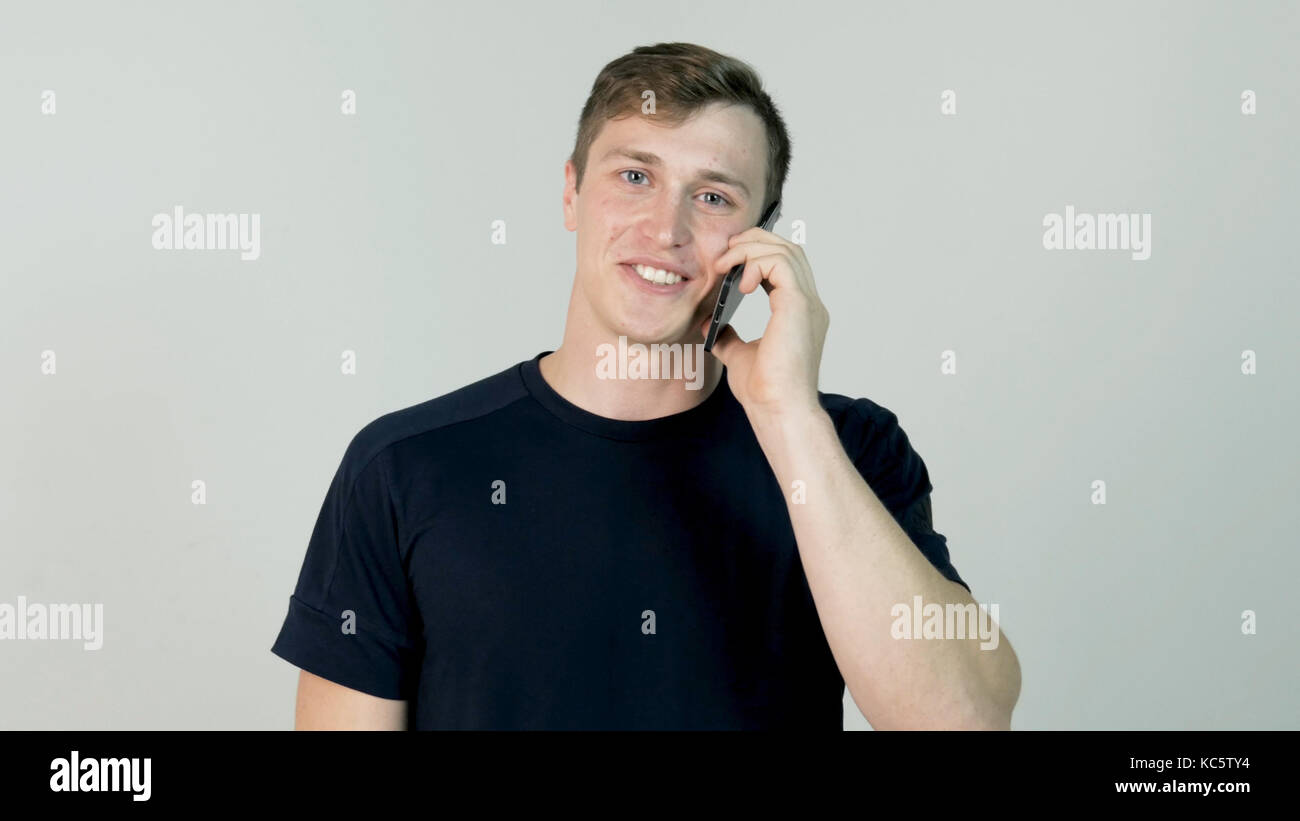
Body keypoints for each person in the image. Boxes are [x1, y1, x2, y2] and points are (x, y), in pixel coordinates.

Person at [271, 42, 1021, 730]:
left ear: (761, 240)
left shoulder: (846, 449)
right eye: (635, 176)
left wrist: (788, 417)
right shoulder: (404, 467)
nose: (667, 228)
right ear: (570, 194)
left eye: (715, 197)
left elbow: (963, 721)